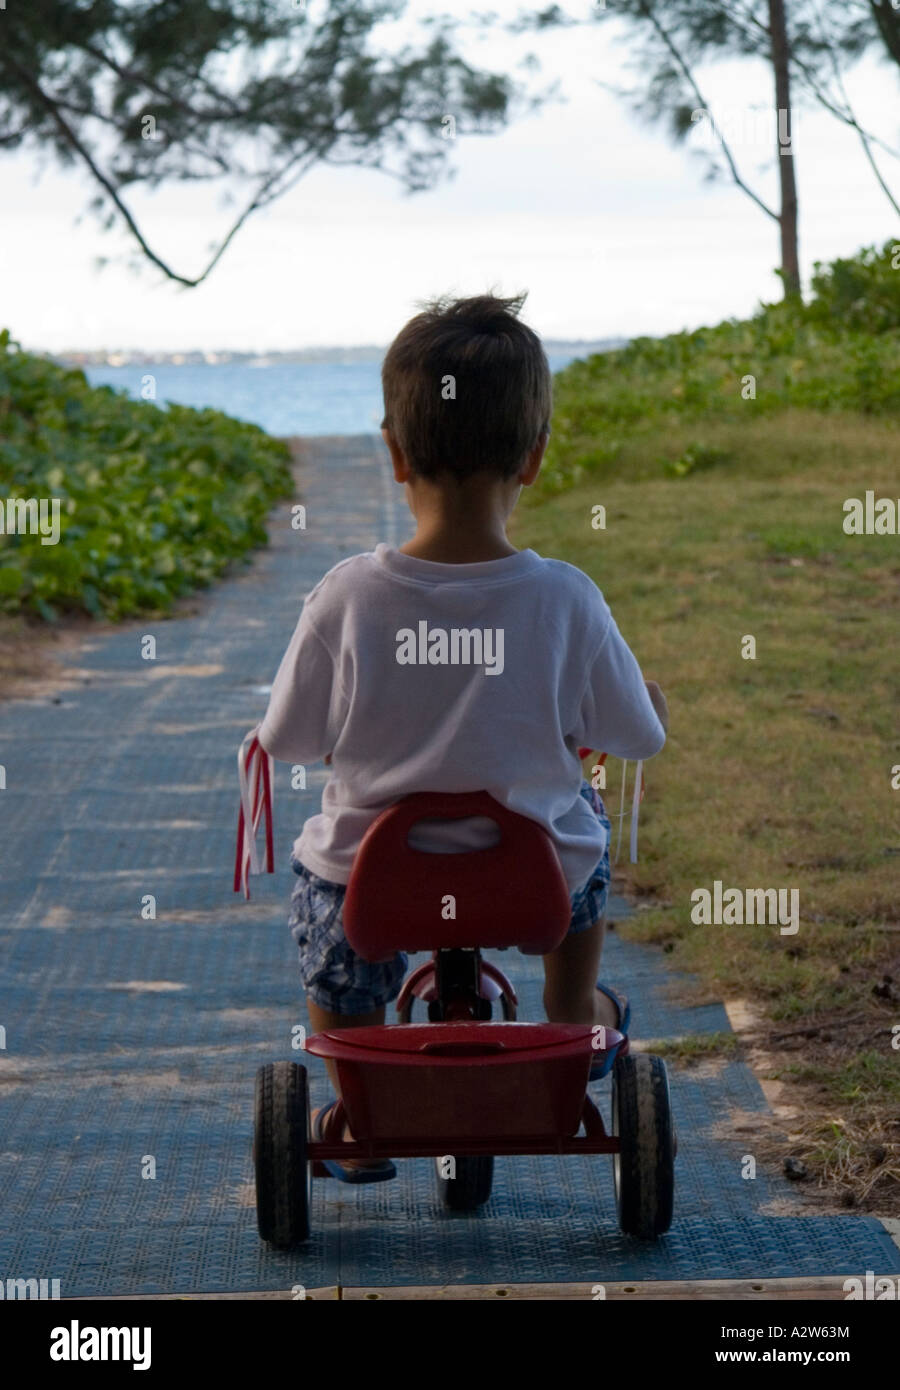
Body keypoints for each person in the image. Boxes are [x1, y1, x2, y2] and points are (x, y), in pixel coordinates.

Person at [256, 293, 668, 1180]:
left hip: (377, 881)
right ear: (536, 457)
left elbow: (288, 738)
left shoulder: (345, 596)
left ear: (395, 453)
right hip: (532, 881)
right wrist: (644, 704)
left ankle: (358, 1094)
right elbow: (634, 736)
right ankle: (573, 1013)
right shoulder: (567, 599)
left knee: (334, 945)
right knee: (581, 817)